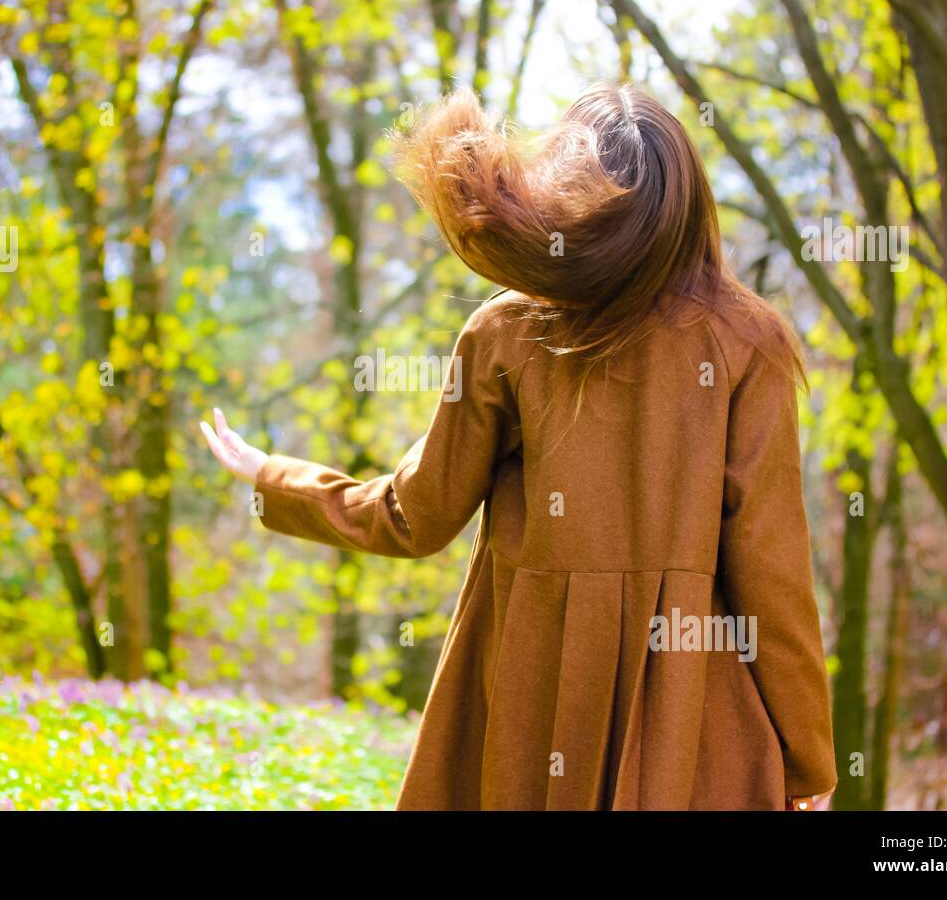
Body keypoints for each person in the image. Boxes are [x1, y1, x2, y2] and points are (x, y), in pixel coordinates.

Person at [201, 82, 837, 811]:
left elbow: (416, 514)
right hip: (687, 716)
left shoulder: (505, 333)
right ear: (688, 208)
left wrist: (275, 481)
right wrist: (804, 758)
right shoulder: (743, 340)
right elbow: (773, 574)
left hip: (525, 691)